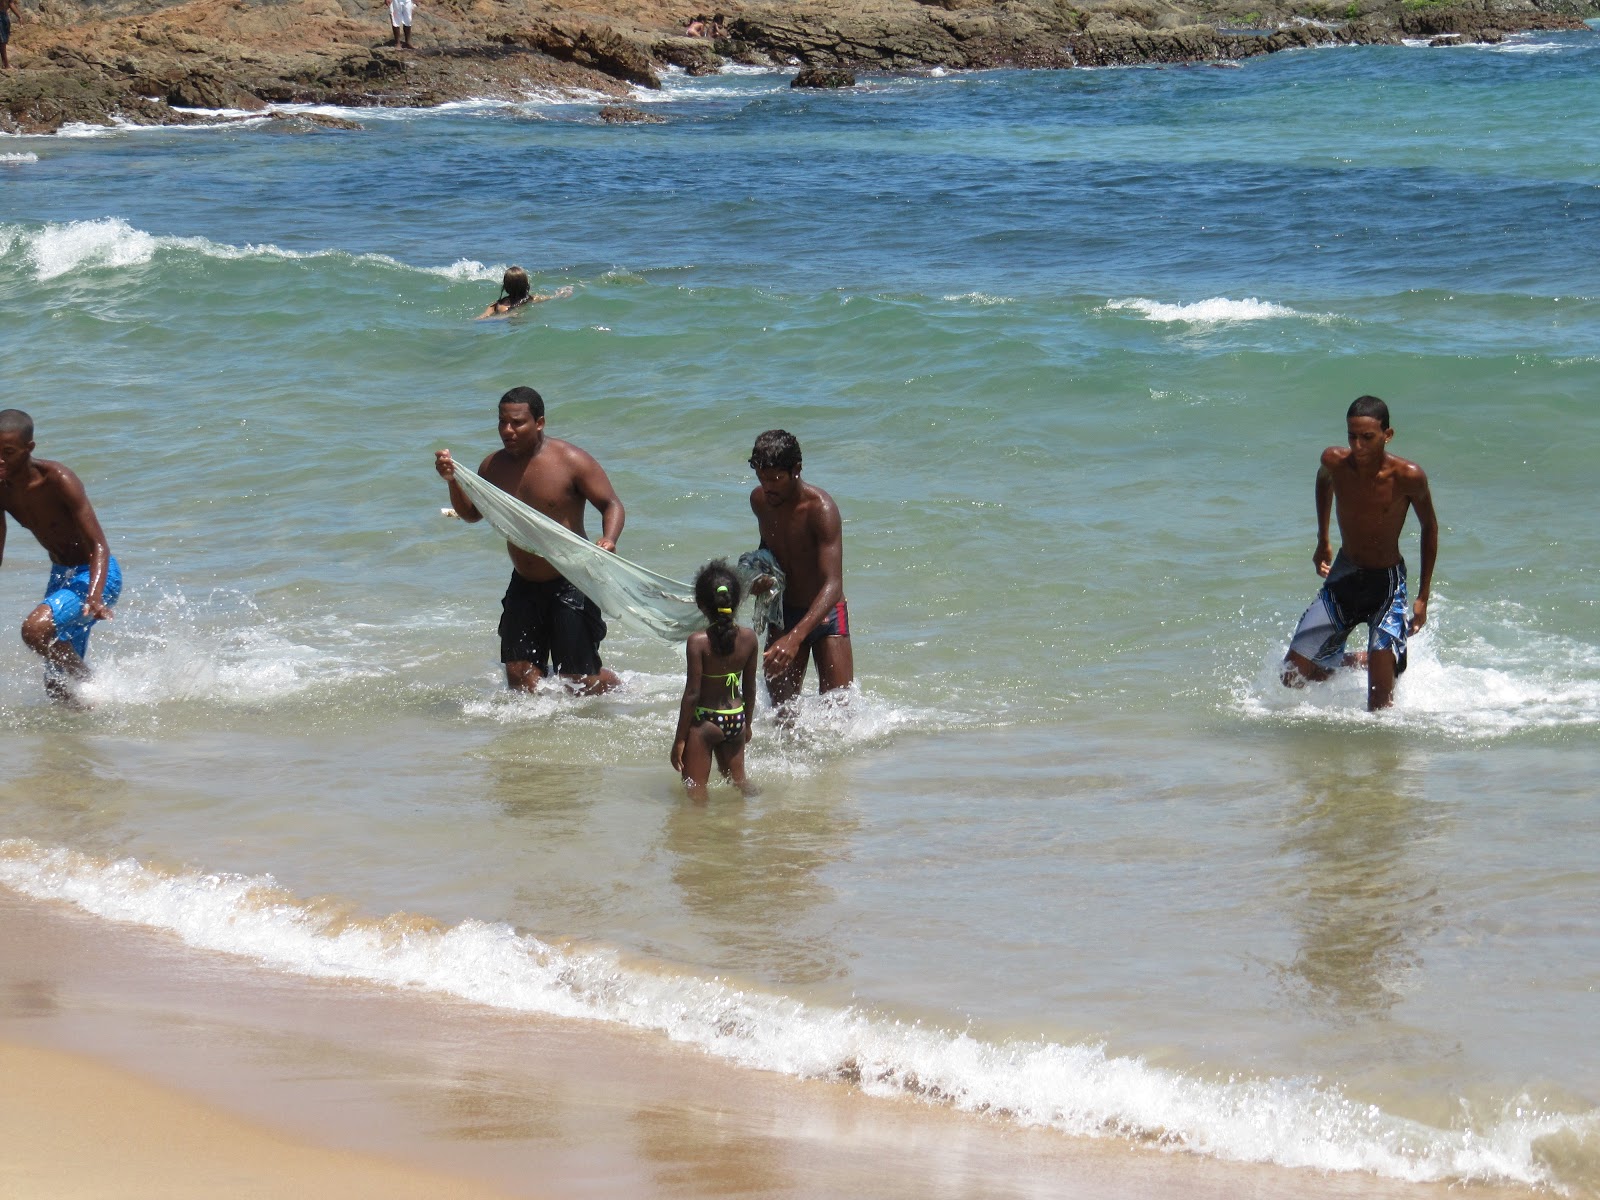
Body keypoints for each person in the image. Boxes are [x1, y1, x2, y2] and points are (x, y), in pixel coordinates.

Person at [435, 386, 624, 695]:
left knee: (577, 683)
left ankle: (613, 683)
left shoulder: (571, 461)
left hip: (571, 581)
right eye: (502, 422)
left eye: (517, 423)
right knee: (519, 677)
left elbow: (611, 504)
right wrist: (452, 481)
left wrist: (609, 538)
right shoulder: (493, 466)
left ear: (540, 423)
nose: (507, 430)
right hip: (524, 583)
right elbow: (471, 514)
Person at [1281, 395, 1438, 711]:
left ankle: (1380, 658)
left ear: (1387, 435)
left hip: (1387, 588)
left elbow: (1429, 529)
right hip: (1344, 579)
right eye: (1352, 436)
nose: (1358, 445)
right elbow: (1324, 481)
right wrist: (1322, 538)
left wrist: (1423, 596)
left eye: (1367, 437)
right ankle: (1354, 660)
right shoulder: (1335, 462)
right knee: (1291, 677)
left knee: (1380, 708)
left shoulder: (1408, 476)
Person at [0, 409, 122, 703]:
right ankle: (83, 740)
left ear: (29, 449)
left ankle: (92, 681)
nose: (0, 460)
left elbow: (99, 546)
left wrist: (94, 597)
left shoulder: (58, 479)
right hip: (61, 575)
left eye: (8, 452)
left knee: (34, 631)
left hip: (94, 575)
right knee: (57, 691)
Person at [746, 429, 853, 708]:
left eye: (775, 479)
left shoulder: (821, 509)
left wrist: (795, 639)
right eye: (761, 476)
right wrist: (759, 574)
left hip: (826, 613)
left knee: (839, 714)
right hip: (784, 614)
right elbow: (768, 546)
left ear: (796, 470)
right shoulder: (760, 501)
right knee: (781, 715)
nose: (767, 486)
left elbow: (833, 584)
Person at [671, 561, 758, 799]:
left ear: (701, 605)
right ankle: (756, 821)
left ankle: (700, 833)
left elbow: (692, 694)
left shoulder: (697, 642)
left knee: (695, 789)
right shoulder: (750, 639)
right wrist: (747, 723)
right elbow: (750, 688)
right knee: (741, 784)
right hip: (736, 719)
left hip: (705, 722)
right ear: (737, 602)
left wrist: (679, 740)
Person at [476, 267, 572, 320]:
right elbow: (551, 297)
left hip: (500, 320)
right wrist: (561, 293)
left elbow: (482, 317)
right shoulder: (530, 299)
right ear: (526, 285)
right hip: (513, 318)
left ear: (505, 287)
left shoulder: (496, 304)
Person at [1, 0, 19, 70]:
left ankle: (5, 63)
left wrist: (19, 16)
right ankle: (6, 64)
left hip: (4, 15)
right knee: (2, 41)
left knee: (4, 40)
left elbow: (11, 3)